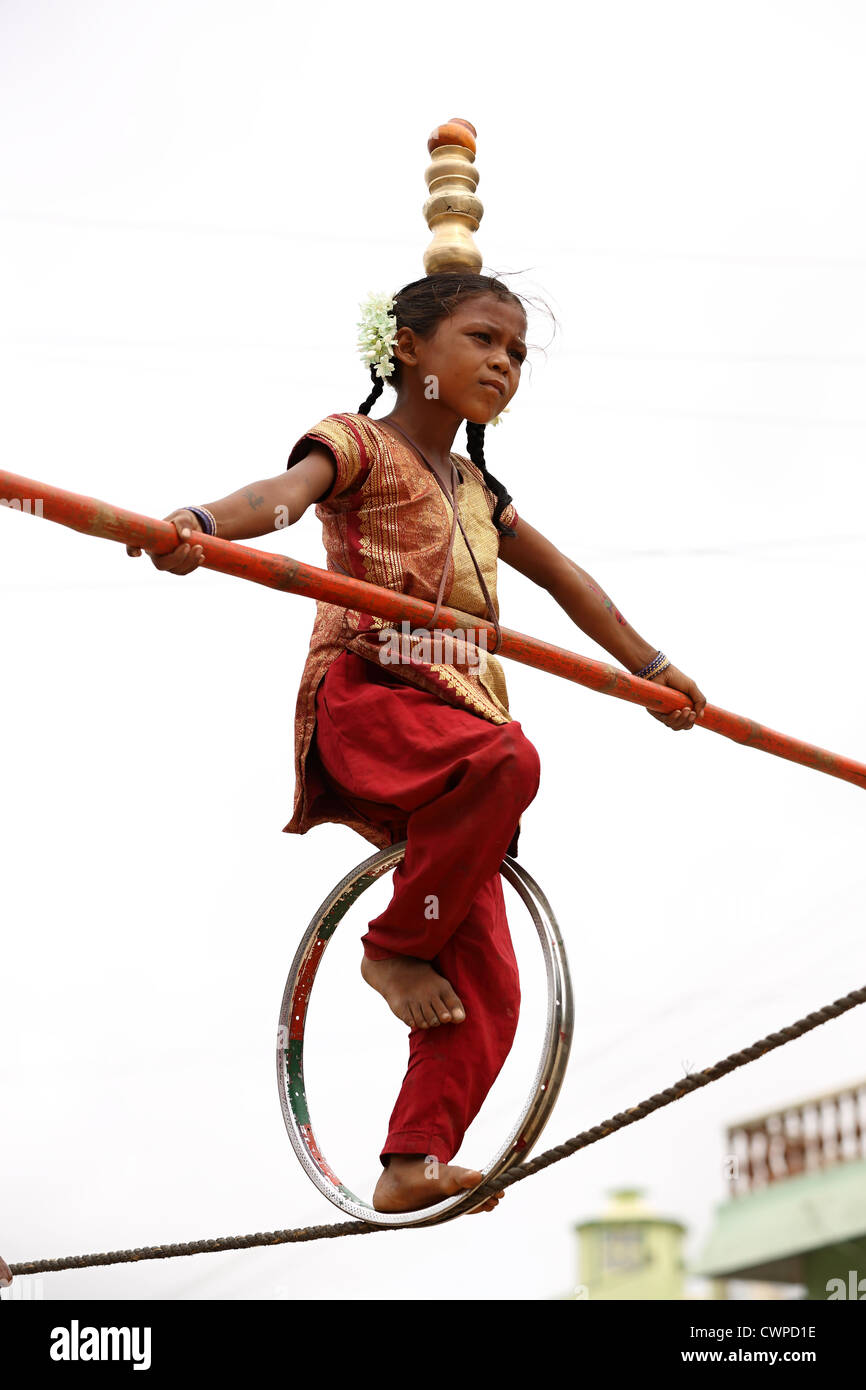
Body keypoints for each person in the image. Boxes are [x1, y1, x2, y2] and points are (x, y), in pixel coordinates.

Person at [127, 271, 707, 1215]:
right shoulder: (359, 444)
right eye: (484, 340)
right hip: (376, 696)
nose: (505, 365)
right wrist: (202, 527)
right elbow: (280, 496)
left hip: (459, 728)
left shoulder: (482, 491)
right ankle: (395, 945)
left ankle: (411, 1162)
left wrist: (653, 667)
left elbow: (568, 581)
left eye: (516, 353)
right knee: (509, 761)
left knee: (492, 986)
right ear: (407, 348)